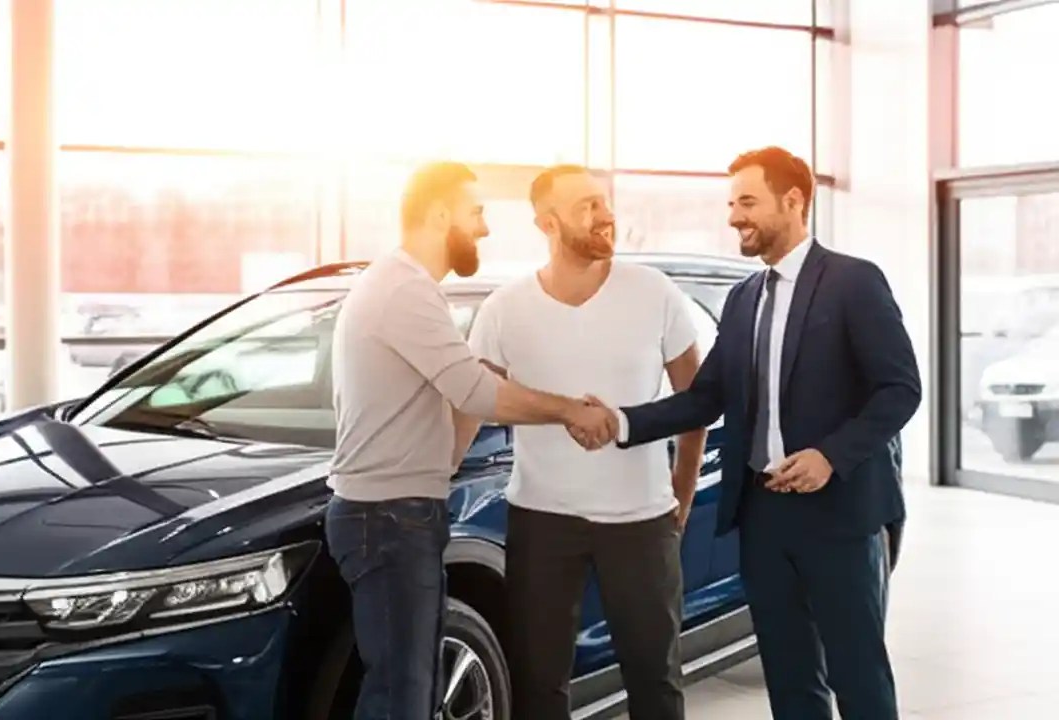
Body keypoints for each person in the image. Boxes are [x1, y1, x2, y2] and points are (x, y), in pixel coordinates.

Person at [605, 146, 921, 720]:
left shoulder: (854, 281)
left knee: (857, 674)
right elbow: (707, 397)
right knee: (790, 676)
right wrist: (621, 421)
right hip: (763, 517)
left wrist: (830, 455)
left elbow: (900, 389)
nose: (733, 217)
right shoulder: (744, 297)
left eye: (747, 201)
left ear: (794, 200)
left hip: (841, 514)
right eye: (731, 203)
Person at [325, 161, 617, 720]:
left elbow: (450, 395)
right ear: (439, 214)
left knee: (413, 686)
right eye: (477, 213)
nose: (484, 229)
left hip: (396, 513)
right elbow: (477, 392)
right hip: (387, 518)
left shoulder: (403, 286)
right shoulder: (403, 289)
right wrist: (568, 410)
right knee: (402, 696)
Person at [465, 165, 704, 720]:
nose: (607, 215)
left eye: (605, 202)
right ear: (547, 223)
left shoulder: (653, 292)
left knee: (655, 680)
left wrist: (682, 493)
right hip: (542, 519)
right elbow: (473, 401)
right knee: (539, 683)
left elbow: (697, 401)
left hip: (641, 522)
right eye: (587, 206)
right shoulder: (504, 308)